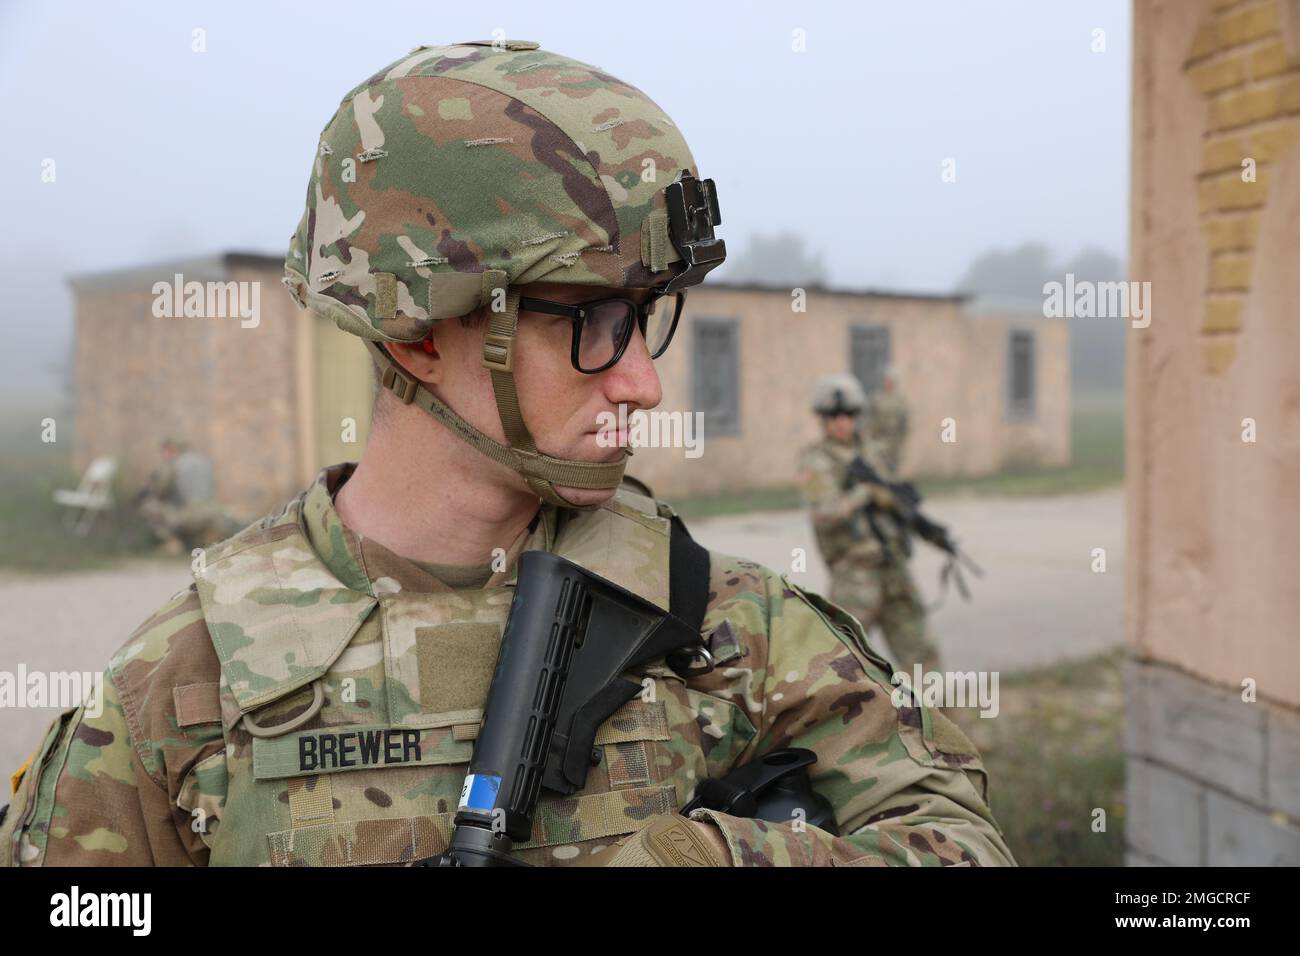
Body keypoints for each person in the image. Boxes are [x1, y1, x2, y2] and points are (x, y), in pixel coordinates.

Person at [0, 41, 1010, 867]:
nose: (641, 382)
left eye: (643, 319)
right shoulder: (186, 683)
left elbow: (960, 842)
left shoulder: (714, 619)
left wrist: (709, 858)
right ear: (416, 332)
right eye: (590, 321)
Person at [798, 374, 941, 678]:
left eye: (848, 414)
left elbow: (898, 492)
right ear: (822, 419)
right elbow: (825, 512)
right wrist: (865, 494)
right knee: (838, 669)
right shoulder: (815, 461)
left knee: (924, 661)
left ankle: (942, 725)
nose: (841, 421)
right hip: (854, 575)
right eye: (833, 415)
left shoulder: (874, 452)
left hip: (893, 568)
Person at [136, 436, 227, 555]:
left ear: (172, 449)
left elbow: (160, 491)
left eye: (164, 450)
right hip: (213, 513)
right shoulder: (204, 461)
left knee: (149, 506)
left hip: (187, 515)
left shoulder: (171, 464)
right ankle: (210, 538)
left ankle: (172, 543)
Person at [864, 365, 909, 478]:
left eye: (890, 380)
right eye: (886, 380)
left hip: (894, 440)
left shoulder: (900, 400)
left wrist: (902, 438)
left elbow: (904, 420)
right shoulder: (876, 398)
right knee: (880, 465)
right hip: (879, 438)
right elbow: (869, 417)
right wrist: (871, 435)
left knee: (894, 467)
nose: (888, 383)